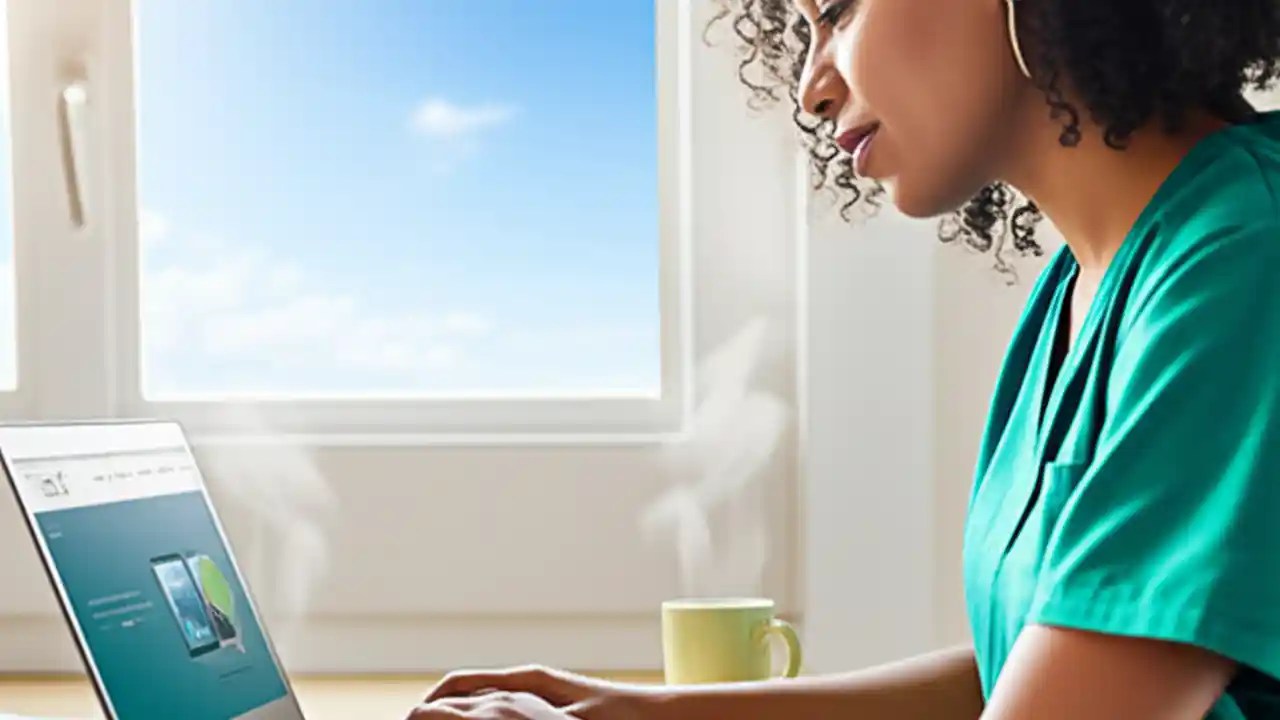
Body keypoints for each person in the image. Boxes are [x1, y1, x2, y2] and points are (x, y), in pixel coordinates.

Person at [409, 0, 1280, 716]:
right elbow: (1037, 664)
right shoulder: (1085, 286)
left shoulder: (1244, 259)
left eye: (837, 11)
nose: (810, 88)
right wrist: (649, 714)